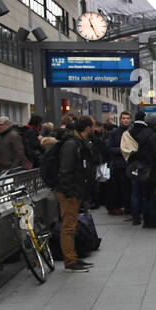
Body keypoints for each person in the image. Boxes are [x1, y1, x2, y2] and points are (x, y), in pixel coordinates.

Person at [55, 115, 96, 272]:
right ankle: (70, 260)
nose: (93, 129)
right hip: (69, 192)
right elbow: (66, 170)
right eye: (91, 126)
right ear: (87, 128)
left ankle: (73, 257)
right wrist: (69, 191)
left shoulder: (79, 142)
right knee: (68, 226)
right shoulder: (72, 144)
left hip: (75, 190)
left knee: (70, 225)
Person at [130, 114, 156, 228]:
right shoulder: (154, 136)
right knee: (154, 196)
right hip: (153, 170)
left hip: (143, 169)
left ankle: (146, 220)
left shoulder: (142, 134)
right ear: (155, 123)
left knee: (146, 196)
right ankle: (153, 221)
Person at [105, 111, 132, 215]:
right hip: (118, 164)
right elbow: (109, 148)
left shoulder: (133, 131)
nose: (126, 120)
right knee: (119, 187)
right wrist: (122, 150)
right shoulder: (115, 132)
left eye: (128, 118)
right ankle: (118, 206)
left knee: (128, 188)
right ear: (120, 120)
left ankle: (128, 207)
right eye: (124, 118)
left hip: (130, 164)